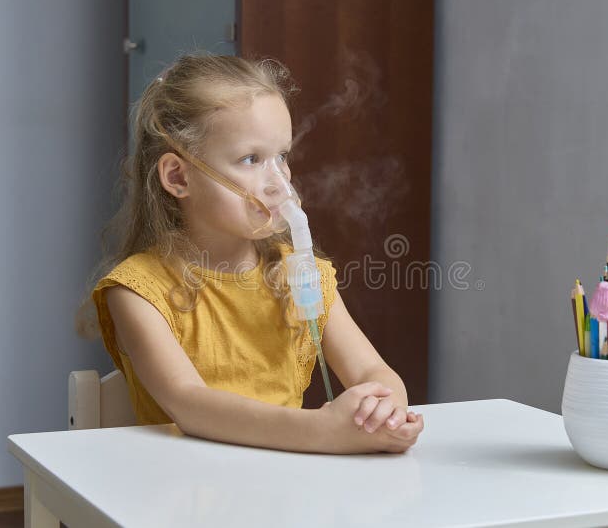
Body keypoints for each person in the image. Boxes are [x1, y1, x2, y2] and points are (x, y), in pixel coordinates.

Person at [77, 54, 423, 454]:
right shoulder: (138, 291)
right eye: (251, 159)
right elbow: (190, 404)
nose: (279, 182)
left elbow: (372, 370)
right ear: (178, 176)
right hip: (182, 485)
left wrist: (386, 411)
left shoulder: (300, 276)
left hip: (281, 483)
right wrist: (319, 431)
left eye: (282, 156)